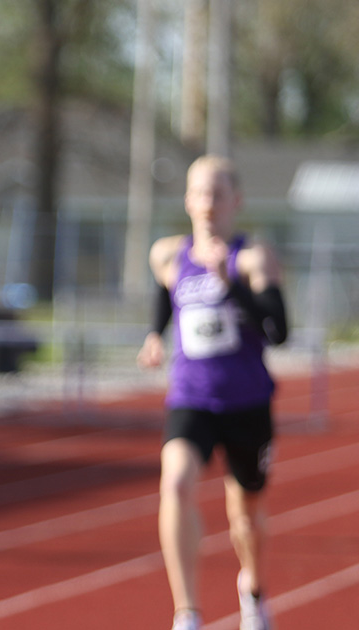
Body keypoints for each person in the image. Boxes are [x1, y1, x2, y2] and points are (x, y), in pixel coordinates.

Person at [137, 155, 288, 630]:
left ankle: (254, 590)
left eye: (217, 195)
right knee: (176, 483)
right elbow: (166, 291)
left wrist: (230, 284)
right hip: (191, 398)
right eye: (199, 193)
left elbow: (279, 330)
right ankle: (187, 613)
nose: (207, 204)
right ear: (187, 200)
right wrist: (155, 334)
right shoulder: (168, 254)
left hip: (246, 402)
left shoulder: (251, 259)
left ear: (235, 202)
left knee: (246, 517)